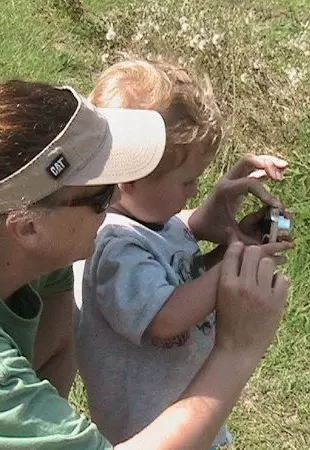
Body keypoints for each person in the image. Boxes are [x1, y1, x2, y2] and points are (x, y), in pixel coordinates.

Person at [0, 75, 289, 449]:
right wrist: (238, 349)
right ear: (27, 226)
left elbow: (57, 355)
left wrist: (198, 223)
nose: (116, 205)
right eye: (103, 197)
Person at [73, 60, 292, 447]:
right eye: (187, 181)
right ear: (131, 179)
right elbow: (165, 315)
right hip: (150, 426)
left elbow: (179, 273)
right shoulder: (114, 248)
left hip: (184, 403)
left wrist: (226, 246)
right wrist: (233, 265)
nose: (193, 191)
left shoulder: (151, 219)